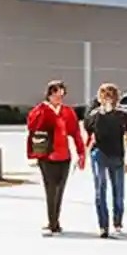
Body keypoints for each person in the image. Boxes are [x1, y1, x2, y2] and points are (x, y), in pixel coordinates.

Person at [27, 80, 86, 235]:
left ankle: (55, 220)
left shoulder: (68, 112)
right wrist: (45, 111)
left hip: (64, 156)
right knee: (50, 189)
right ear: (49, 94)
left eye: (61, 93)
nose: (59, 96)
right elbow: (32, 126)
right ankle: (53, 223)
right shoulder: (40, 110)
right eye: (55, 93)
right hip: (47, 156)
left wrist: (81, 153)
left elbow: (76, 134)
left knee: (60, 190)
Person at [84, 82, 127, 238]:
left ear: (116, 98)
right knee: (100, 189)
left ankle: (117, 222)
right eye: (104, 95)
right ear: (99, 97)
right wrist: (83, 156)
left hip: (117, 156)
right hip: (99, 154)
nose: (107, 98)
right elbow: (91, 137)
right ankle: (103, 226)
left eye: (110, 95)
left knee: (118, 191)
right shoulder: (93, 116)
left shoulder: (124, 116)